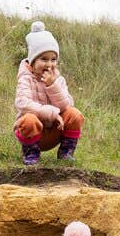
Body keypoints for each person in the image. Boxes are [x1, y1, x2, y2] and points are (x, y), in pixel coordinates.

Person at [13, 20, 85, 166]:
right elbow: (22, 103)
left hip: (55, 130)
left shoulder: (58, 79)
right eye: (43, 59)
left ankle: (66, 153)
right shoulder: (26, 79)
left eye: (53, 59)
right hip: (33, 133)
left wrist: (52, 85)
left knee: (74, 114)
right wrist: (52, 113)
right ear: (32, 62)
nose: (49, 64)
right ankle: (31, 154)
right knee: (28, 119)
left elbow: (67, 104)